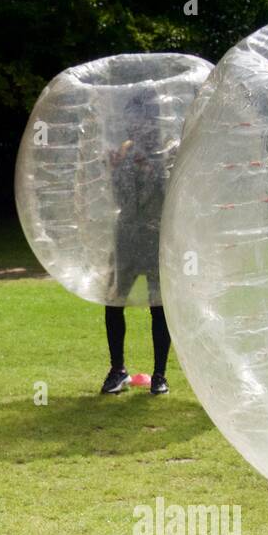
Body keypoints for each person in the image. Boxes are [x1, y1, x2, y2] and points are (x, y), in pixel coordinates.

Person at [101, 92, 173, 396]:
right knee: (114, 300)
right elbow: (120, 199)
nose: (134, 125)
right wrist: (115, 170)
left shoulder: (169, 151)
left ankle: (159, 375)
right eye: (131, 119)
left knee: (159, 306)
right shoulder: (125, 152)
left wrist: (152, 171)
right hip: (127, 234)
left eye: (139, 118)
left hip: (156, 237)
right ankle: (117, 370)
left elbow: (173, 193)